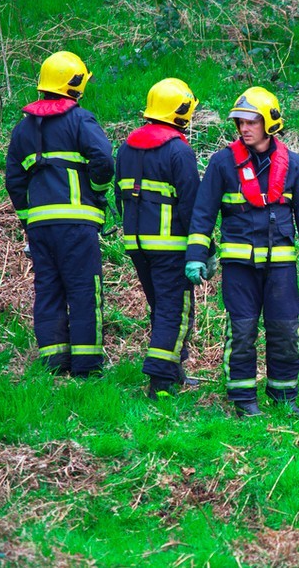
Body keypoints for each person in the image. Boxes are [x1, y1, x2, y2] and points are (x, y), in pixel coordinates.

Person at [185, 86, 299, 418]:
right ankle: (244, 400)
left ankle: (284, 395)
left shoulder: (295, 166)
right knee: (242, 331)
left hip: (281, 268)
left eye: (251, 122)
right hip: (239, 268)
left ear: (269, 123)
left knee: (285, 330)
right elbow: (203, 213)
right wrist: (195, 255)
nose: (244, 128)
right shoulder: (222, 163)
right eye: (240, 123)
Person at [5, 51, 114, 377]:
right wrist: (97, 191)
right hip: (77, 224)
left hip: (40, 227)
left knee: (48, 290)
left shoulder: (22, 130)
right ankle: (87, 367)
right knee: (83, 290)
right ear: (75, 86)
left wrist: (28, 220)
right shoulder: (81, 120)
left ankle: (54, 364)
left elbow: (14, 182)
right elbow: (105, 162)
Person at [115, 78, 210, 400]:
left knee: (161, 308)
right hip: (170, 245)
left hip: (136, 244)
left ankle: (174, 370)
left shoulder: (127, 146)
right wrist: (203, 244)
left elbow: (119, 195)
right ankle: (160, 383)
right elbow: (191, 202)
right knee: (175, 310)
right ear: (181, 112)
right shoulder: (178, 150)